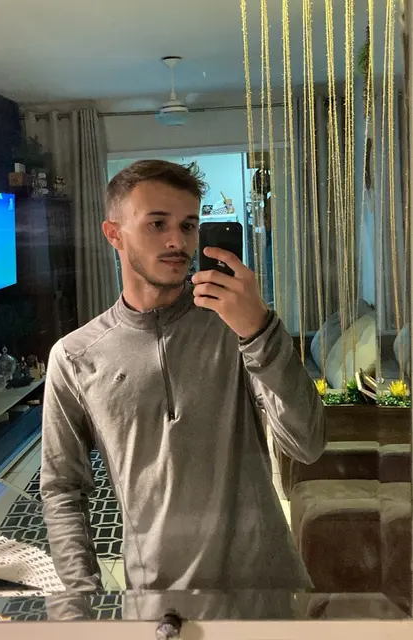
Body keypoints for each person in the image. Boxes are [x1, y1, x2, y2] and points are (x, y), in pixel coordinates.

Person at [40, 159, 326, 596]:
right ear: (114, 234)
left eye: (189, 225)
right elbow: (62, 489)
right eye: (157, 224)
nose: (178, 241)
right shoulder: (75, 357)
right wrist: (83, 599)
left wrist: (260, 332)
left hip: (270, 592)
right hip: (157, 601)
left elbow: (307, 444)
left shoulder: (238, 325)